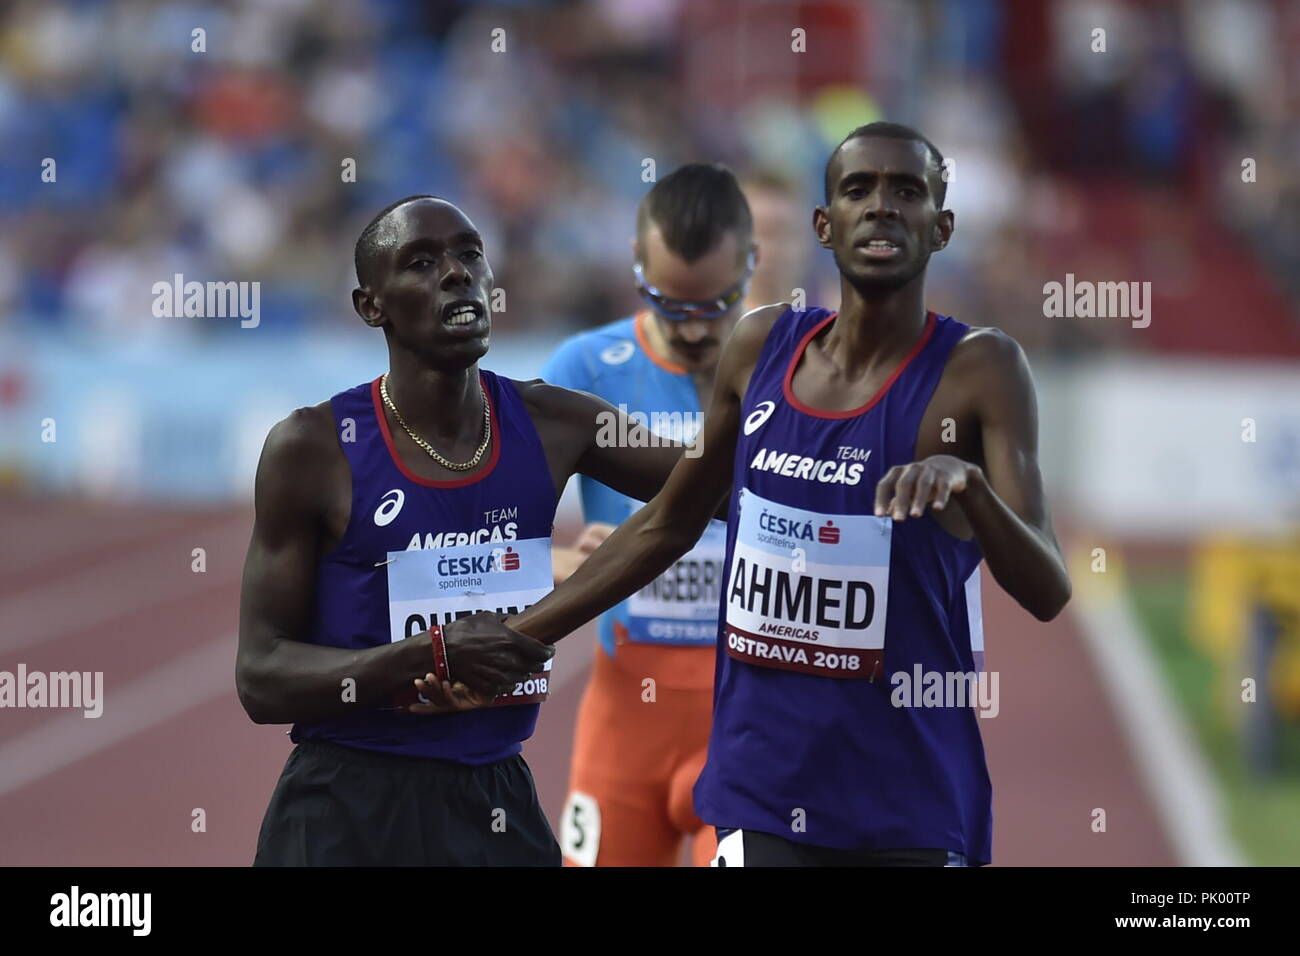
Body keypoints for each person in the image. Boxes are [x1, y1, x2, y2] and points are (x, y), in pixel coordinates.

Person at [447, 122, 1073, 866]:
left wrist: (972, 491)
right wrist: (522, 638)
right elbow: (667, 524)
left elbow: (1047, 588)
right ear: (824, 225)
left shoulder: (982, 369)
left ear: (941, 228)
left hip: (910, 795)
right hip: (761, 787)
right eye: (857, 190)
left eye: (905, 191)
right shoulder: (760, 344)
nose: (880, 207)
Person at [237, 194, 702, 866]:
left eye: (469, 254)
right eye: (421, 262)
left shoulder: (554, 423)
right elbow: (261, 676)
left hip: (492, 804)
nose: (456, 274)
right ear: (372, 306)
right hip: (343, 809)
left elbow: (709, 489)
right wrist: (427, 655)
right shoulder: (314, 447)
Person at [543, 163, 756, 867]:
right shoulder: (584, 368)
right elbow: (494, 535)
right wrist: (558, 564)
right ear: (636, 268)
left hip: (751, 725)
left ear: (753, 265)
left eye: (717, 305)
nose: (695, 331)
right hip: (624, 722)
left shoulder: (801, 372)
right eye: (670, 305)